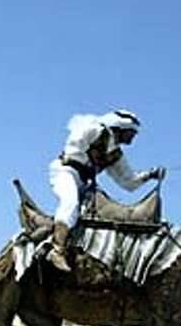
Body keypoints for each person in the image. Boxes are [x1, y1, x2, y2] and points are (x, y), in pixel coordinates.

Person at [46, 109, 165, 272]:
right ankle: (57, 250)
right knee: (70, 203)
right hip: (67, 172)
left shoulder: (116, 154)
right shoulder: (93, 130)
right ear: (119, 128)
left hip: (84, 181)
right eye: (131, 132)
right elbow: (74, 147)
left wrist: (150, 175)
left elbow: (128, 182)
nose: (133, 137)